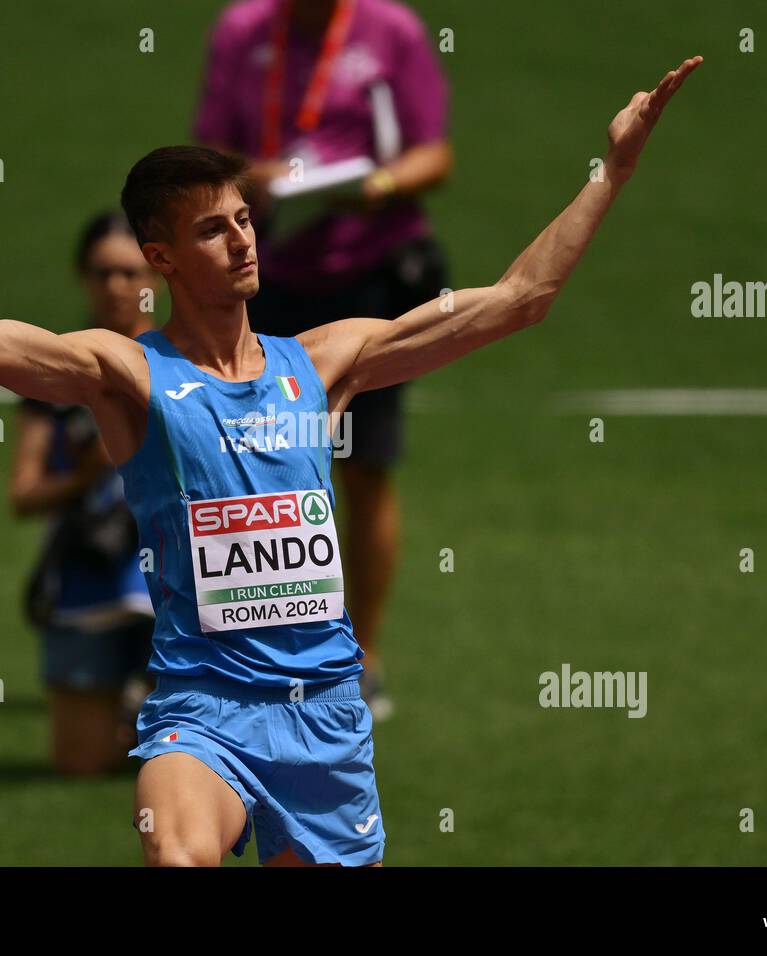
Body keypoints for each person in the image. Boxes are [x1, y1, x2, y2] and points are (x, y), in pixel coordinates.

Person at [0, 53, 702, 865]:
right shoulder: (129, 375)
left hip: (327, 719)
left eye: (243, 220)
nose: (242, 239)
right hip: (203, 710)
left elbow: (520, 297)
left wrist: (613, 167)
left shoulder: (325, 360)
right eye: (212, 230)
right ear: (160, 258)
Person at [194, 0, 454, 718]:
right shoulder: (243, 30)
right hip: (266, 276)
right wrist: (258, 177)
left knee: (364, 464)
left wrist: (370, 186)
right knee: (256, 469)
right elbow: (206, 156)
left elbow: (434, 153)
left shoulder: (389, 29)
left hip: (370, 272)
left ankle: (361, 657)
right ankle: (255, 650)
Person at [9, 212, 158, 775]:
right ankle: (132, 711)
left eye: (130, 272)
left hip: (178, 582)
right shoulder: (52, 372)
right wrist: (89, 471)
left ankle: (149, 710)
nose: (117, 287)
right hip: (86, 576)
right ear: (82, 279)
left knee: (189, 758)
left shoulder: (189, 368)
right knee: (79, 767)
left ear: (158, 276)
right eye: (102, 274)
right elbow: (23, 495)